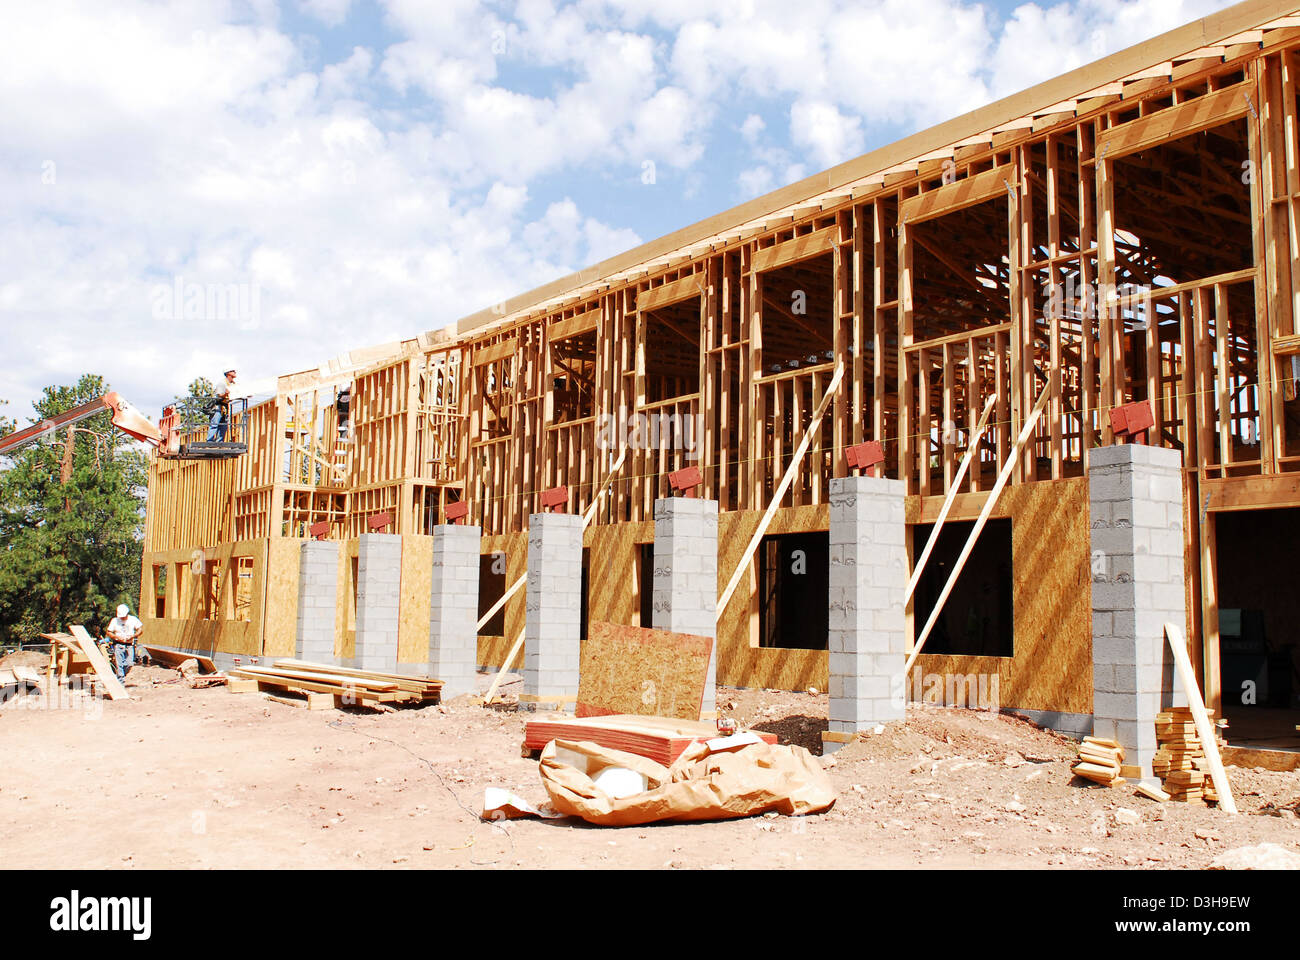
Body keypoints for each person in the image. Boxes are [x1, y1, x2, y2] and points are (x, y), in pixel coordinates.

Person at [106, 604, 143, 682]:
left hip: (129, 645)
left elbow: (140, 630)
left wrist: (133, 636)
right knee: (119, 665)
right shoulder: (114, 620)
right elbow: (109, 632)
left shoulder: (133, 620)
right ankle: (120, 682)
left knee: (129, 664)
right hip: (118, 644)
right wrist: (117, 637)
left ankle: (122, 674)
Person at [207, 369, 238, 442]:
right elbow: (219, 395)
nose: (235, 372)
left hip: (226, 406)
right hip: (219, 406)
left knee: (223, 426)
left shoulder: (232, 384)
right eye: (233, 371)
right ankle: (209, 441)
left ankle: (219, 442)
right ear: (228, 373)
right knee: (215, 424)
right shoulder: (222, 383)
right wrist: (225, 394)